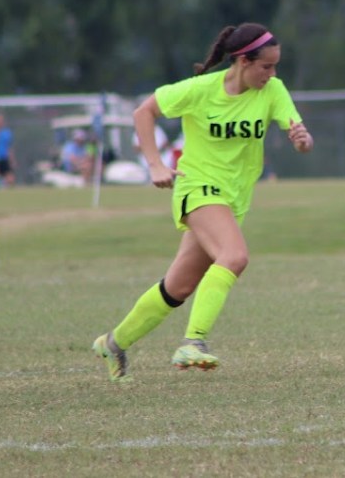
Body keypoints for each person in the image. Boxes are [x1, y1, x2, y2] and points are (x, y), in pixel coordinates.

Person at [92, 23, 314, 382]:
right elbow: (142, 113)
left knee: (178, 287)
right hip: (196, 187)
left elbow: (301, 139)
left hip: (233, 199)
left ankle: (113, 344)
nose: (272, 74)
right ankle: (193, 343)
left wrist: (302, 140)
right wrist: (155, 164)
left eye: (275, 67)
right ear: (242, 61)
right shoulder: (200, 90)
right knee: (235, 256)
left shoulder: (272, 90)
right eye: (266, 67)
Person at [0, 113, 16, 187]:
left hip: (4, 157)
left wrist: (12, 158)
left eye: (1, 120)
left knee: (9, 176)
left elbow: (9, 146)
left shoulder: (7, 132)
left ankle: (9, 189)